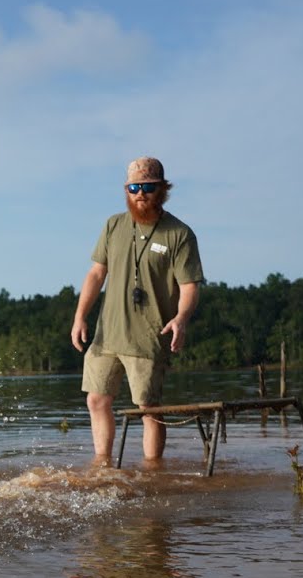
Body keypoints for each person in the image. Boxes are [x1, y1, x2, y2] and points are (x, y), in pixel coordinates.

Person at [69, 156, 204, 467]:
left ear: (162, 189)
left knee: (148, 408)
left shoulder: (179, 233)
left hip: (149, 335)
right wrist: (79, 317)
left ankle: (152, 472)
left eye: (147, 187)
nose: (140, 193)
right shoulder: (113, 225)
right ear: (126, 190)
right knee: (96, 399)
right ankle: (103, 465)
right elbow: (95, 274)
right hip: (107, 334)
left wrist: (181, 319)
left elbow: (189, 286)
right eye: (134, 187)